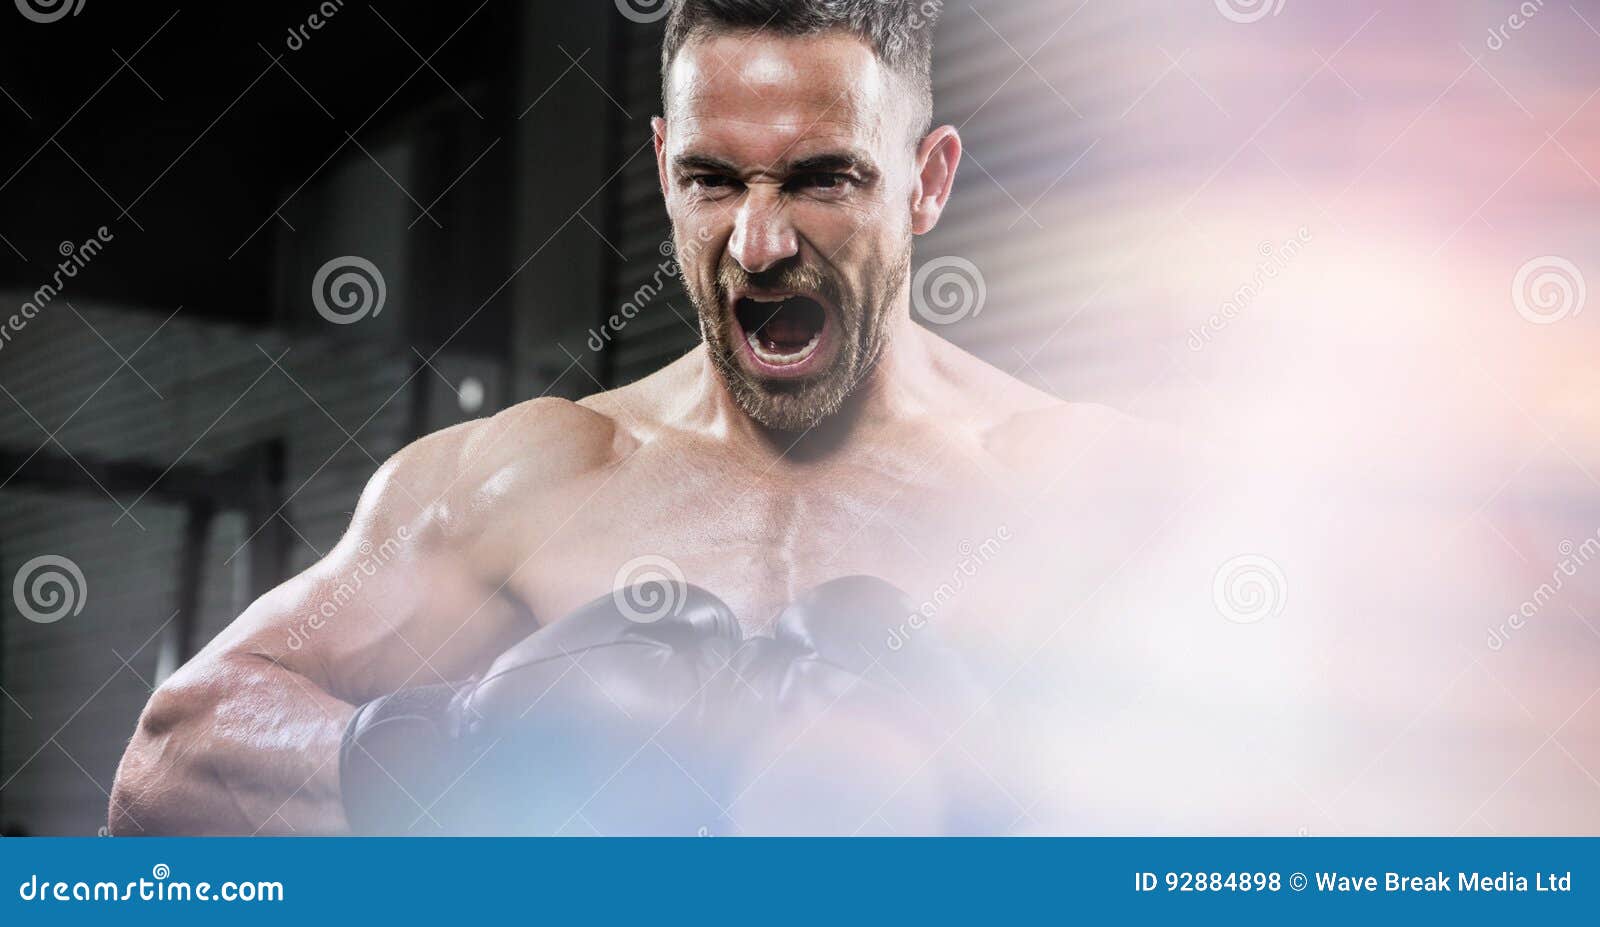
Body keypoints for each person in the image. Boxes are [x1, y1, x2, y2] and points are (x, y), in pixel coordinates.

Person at [109, 0, 1186, 836]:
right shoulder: (531, 477)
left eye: (822, 179)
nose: (758, 244)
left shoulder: (1086, 490)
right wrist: (455, 755)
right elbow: (169, 764)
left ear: (926, 181)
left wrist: (1013, 815)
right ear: (665, 169)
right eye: (714, 182)